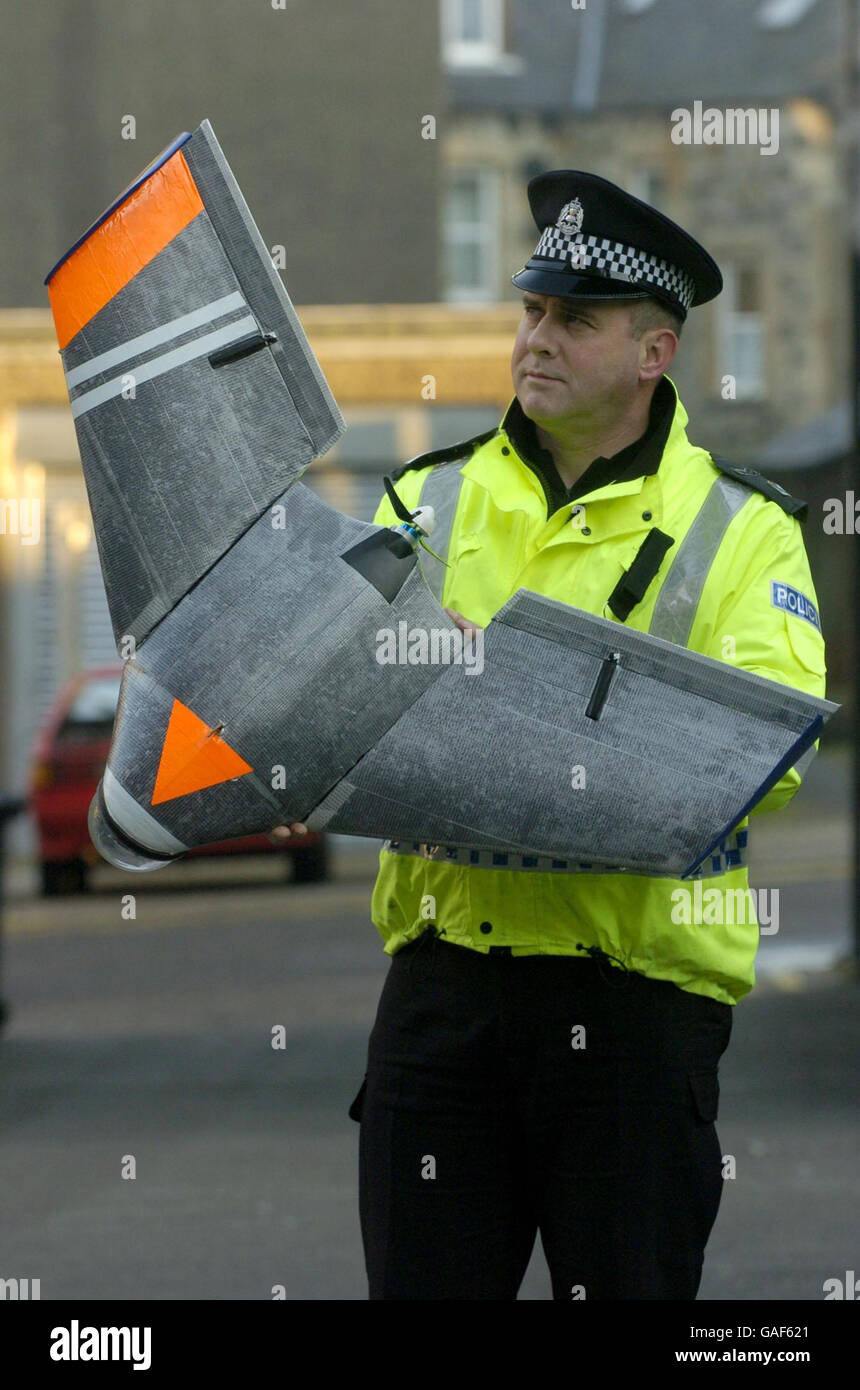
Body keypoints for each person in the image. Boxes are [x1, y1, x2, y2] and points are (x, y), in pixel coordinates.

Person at [272, 170, 827, 1300]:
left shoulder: (742, 527)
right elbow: (322, 690)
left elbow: (767, 754)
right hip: (441, 1004)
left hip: (634, 1016)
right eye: (530, 310)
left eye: (573, 320)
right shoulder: (424, 499)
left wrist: (524, 690)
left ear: (652, 353)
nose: (536, 337)